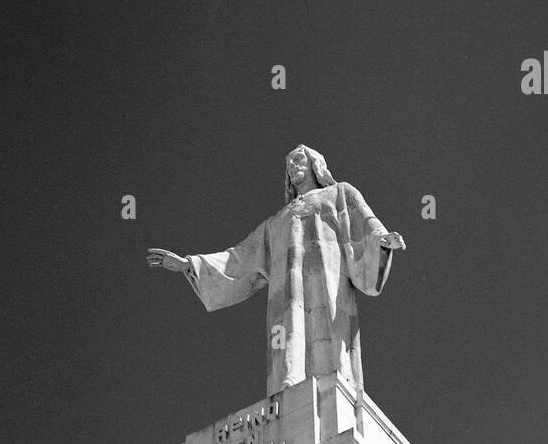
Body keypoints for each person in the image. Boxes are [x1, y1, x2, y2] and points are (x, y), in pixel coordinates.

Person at [147, 145, 405, 396]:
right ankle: (289, 388)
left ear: (316, 164)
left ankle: (336, 387)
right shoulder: (278, 220)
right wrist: (188, 264)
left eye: (299, 159)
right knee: (288, 335)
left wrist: (382, 240)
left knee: (331, 335)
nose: (292, 166)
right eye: (289, 163)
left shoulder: (339, 193)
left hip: (329, 281)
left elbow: (367, 221)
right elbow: (239, 258)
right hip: (286, 294)